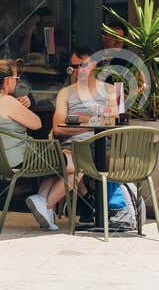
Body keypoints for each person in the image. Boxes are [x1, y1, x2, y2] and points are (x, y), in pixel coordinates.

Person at [0, 57, 57, 230]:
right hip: (22, 158)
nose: (17, 81)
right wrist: (25, 106)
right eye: (16, 78)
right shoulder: (7, 101)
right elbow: (37, 124)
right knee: (70, 162)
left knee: (61, 161)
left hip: (2, 160)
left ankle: (42, 202)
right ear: (6, 81)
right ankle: (45, 203)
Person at [44, 47, 118, 227]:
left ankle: (87, 205)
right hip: (72, 145)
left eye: (80, 66)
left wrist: (76, 120)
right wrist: (94, 121)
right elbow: (58, 128)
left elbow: (112, 122)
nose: (76, 71)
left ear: (93, 65)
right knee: (73, 161)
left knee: (84, 161)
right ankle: (88, 203)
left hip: (102, 144)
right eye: (73, 67)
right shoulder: (66, 92)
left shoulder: (109, 90)